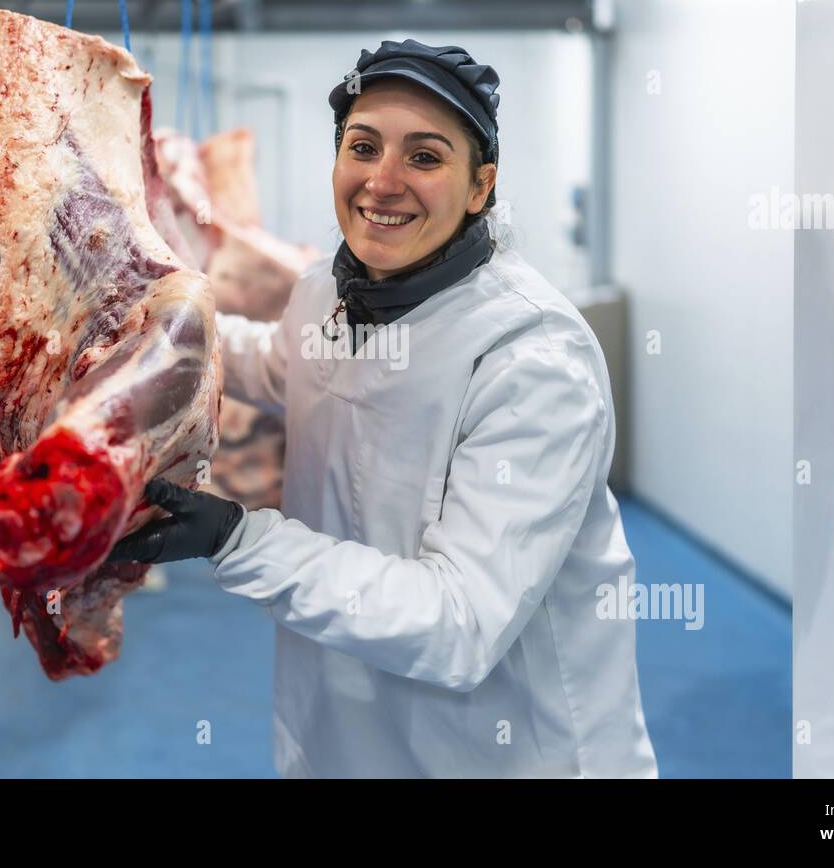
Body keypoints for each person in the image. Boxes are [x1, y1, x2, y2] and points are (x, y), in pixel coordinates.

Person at [110, 40, 658, 778]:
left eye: (425, 157)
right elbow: (279, 365)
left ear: (479, 186)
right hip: (341, 723)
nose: (384, 181)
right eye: (363, 147)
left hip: (503, 748)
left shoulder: (531, 358)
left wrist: (239, 540)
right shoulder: (324, 295)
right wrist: (149, 322)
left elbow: (460, 621)